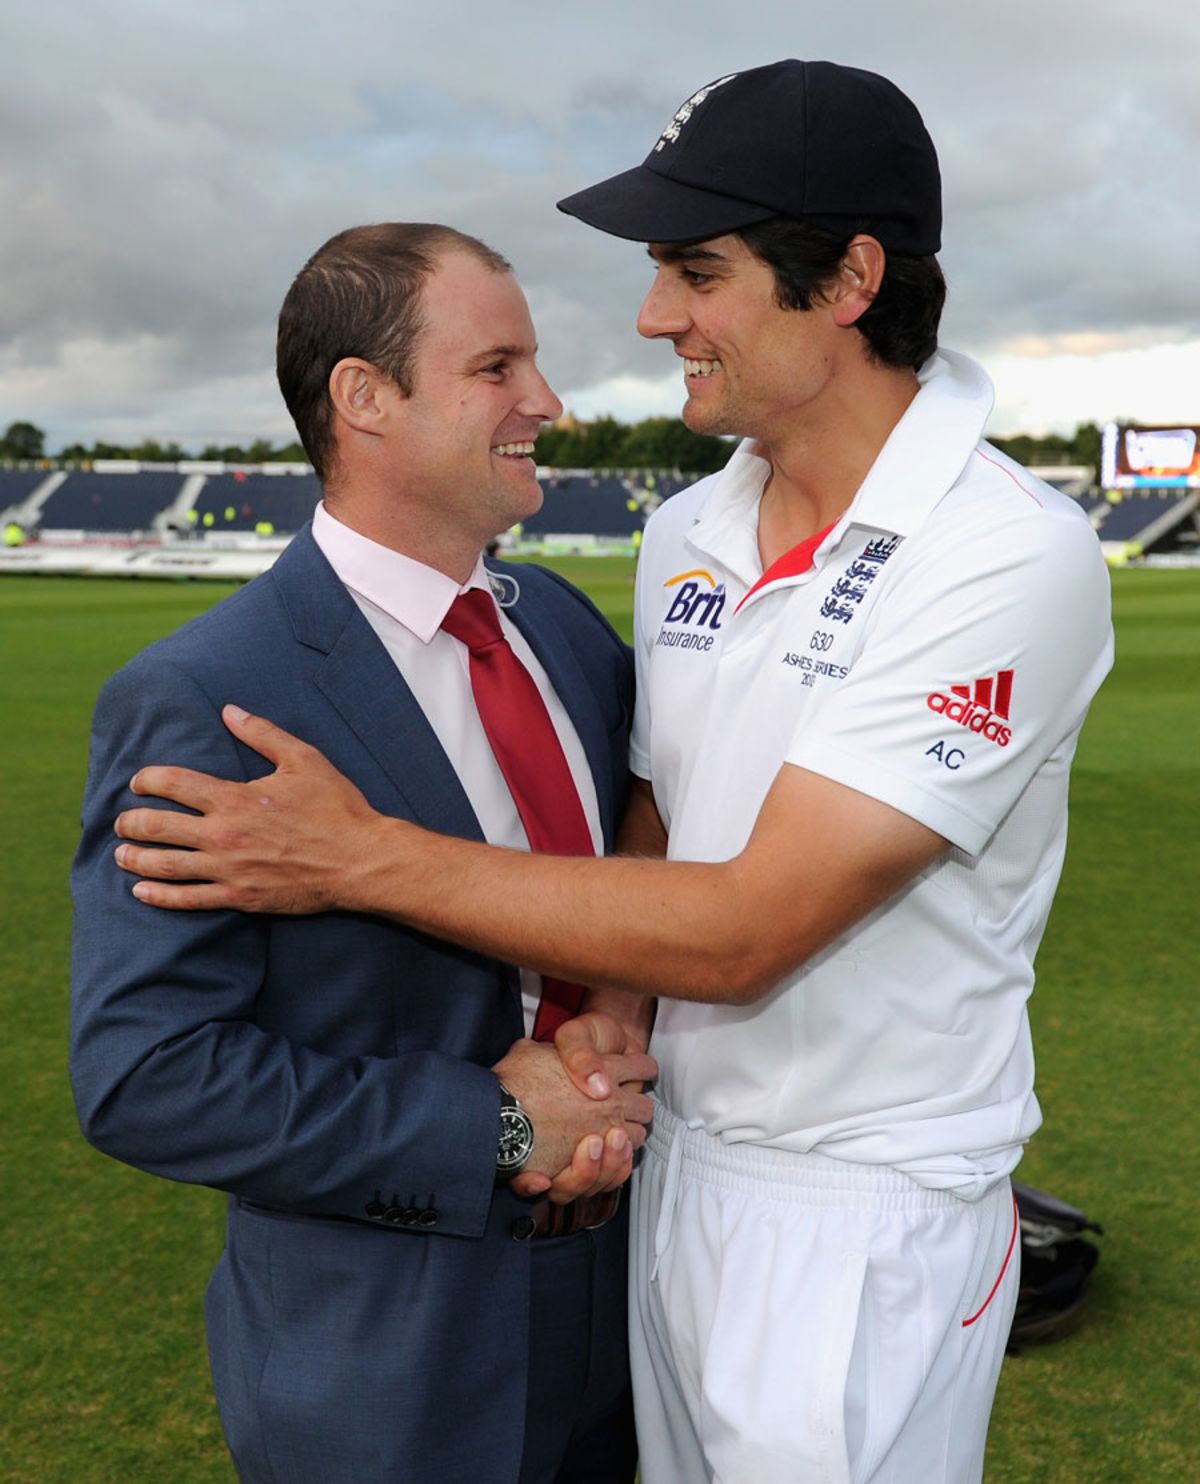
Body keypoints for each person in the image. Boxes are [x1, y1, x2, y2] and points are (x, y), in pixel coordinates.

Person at [113, 62, 1115, 1484]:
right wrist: (605, 1026)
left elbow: (754, 924)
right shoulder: (690, 531)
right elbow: (656, 821)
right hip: (661, 1177)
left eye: (695, 270)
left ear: (847, 278)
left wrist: (356, 856)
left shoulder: (1004, 552)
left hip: (861, 1213)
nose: (653, 318)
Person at [71, 222, 658, 1484]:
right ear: (365, 396)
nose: (545, 401)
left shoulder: (560, 625)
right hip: (390, 1366)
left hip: (629, 1315)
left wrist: (613, 1017)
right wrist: (498, 1124)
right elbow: (145, 1071)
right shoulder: (207, 694)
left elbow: (619, 882)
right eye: (497, 366)